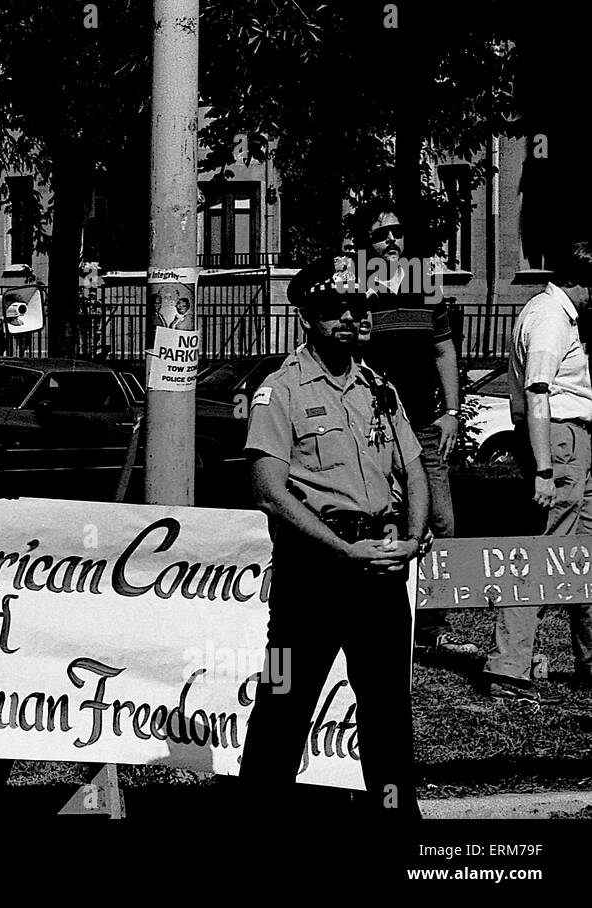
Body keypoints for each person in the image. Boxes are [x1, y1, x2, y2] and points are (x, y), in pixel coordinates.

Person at [239, 254, 428, 819]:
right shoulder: (280, 391)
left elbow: (414, 470)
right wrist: (344, 549)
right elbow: (270, 491)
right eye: (336, 310)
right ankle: (258, 817)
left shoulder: (380, 389)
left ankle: (397, 818)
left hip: (381, 570)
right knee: (281, 699)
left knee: (388, 710)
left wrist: (414, 539)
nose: (352, 318)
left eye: (360, 307)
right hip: (311, 575)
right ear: (308, 318)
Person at [356, 205, 476, 660]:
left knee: (440, 521)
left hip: (425, 425)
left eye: (397, 230)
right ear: (366, 243)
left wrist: (452, 411)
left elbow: (444, 351)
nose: (390, 240)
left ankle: (431, 627)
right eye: (380, 233)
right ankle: (378, 619)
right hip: (375, 425)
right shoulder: (356, 284)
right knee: (376, 516)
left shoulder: (424, 280)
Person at [482, 242, 592, 704]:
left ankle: (587, 662)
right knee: (543, 550)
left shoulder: (553, 313)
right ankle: (509, 669)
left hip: (573, 439)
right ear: (579, 279)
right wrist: (545, 469)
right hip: (561, 439)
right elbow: (538, 393)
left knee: (583, 553)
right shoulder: (549, 318)